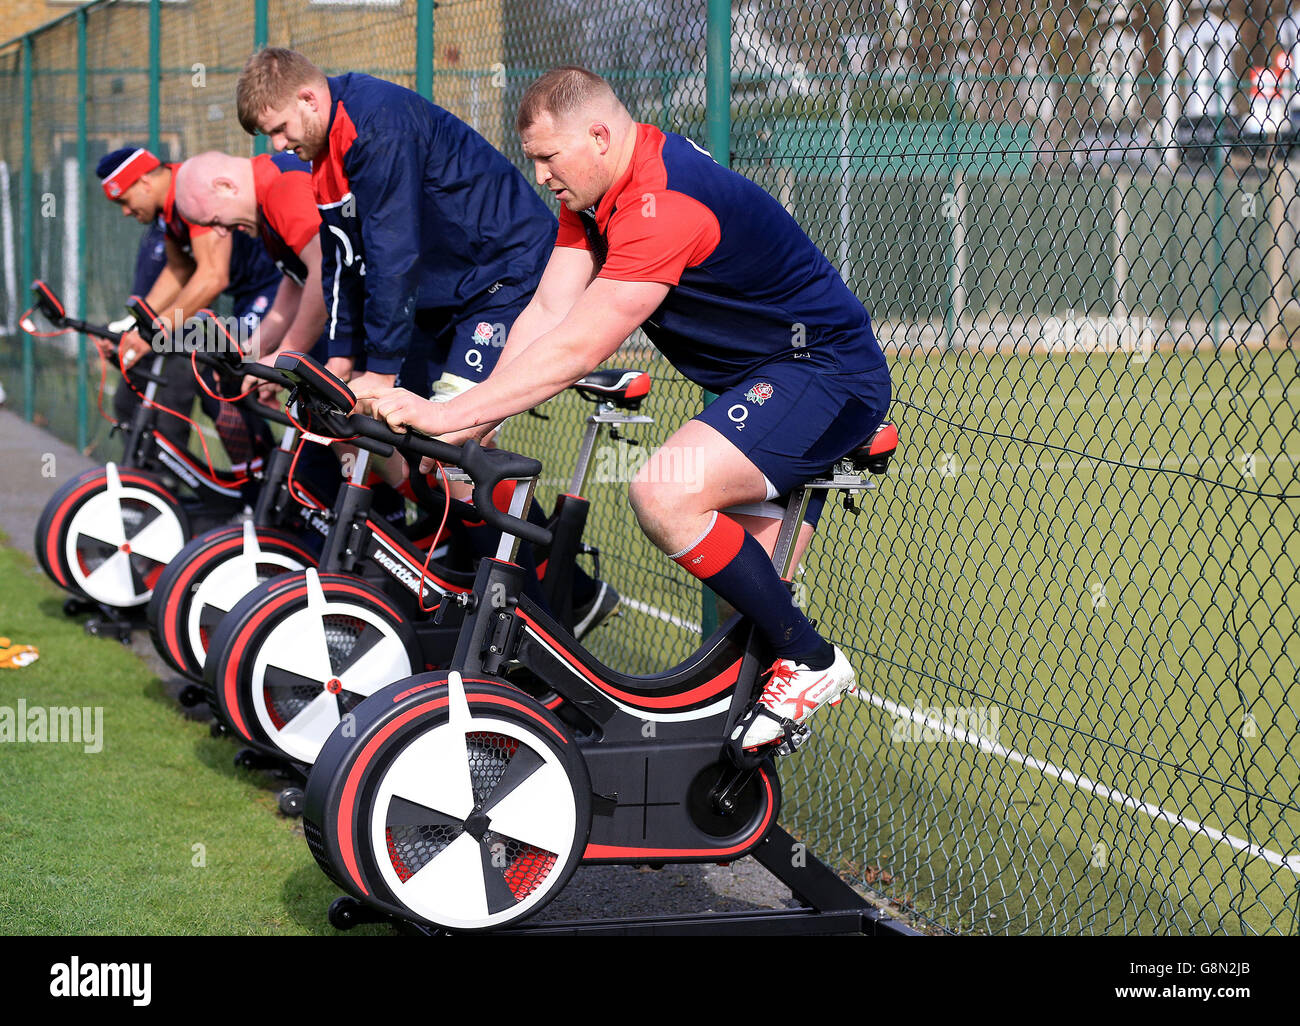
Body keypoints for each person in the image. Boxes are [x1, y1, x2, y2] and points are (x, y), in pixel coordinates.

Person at [353, 67, 893, 749]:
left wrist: (444, 417)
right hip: (766, 379)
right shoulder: (592, 198)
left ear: (600, 136)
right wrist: (474, 411)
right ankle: (717, 790)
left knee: (665, 495)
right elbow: (550, 308)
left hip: (823, 374)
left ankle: (817, 664)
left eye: (549, 158)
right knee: (750, 616)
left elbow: (580, 345)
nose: (542, 175)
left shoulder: (662, 203)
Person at [234, 49, 619, 635]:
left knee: (455, 440)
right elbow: (342, 261)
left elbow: (393, 253)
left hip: (501, 278)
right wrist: (340, 358)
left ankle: (544, 623)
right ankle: (532, 592)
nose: (279, 144)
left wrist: (382, 372)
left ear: (308, 99)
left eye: (281, 128)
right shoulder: (324, 152)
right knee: (416, 443)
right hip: (448, 296)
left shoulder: (376, 122)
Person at [96, 146, 283, 468]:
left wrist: (155, 331)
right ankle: (257, 477)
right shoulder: (169, 207)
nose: (125, 212)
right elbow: (179, 270)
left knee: (220, 371)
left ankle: (259, 478)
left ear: (144, 183)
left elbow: (212, 277)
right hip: (248, 294)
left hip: (275, 286)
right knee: (221, 375)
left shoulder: (191, 192)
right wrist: (134, 326)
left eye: (123, 201)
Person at [172, 149, 328, 402]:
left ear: (225, 186)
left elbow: (323, 268)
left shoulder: (280, 186)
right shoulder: (265, 200)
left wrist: (287, 352)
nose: (222, 233)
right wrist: (255, 348)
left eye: (216, 221)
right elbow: (297, 278)